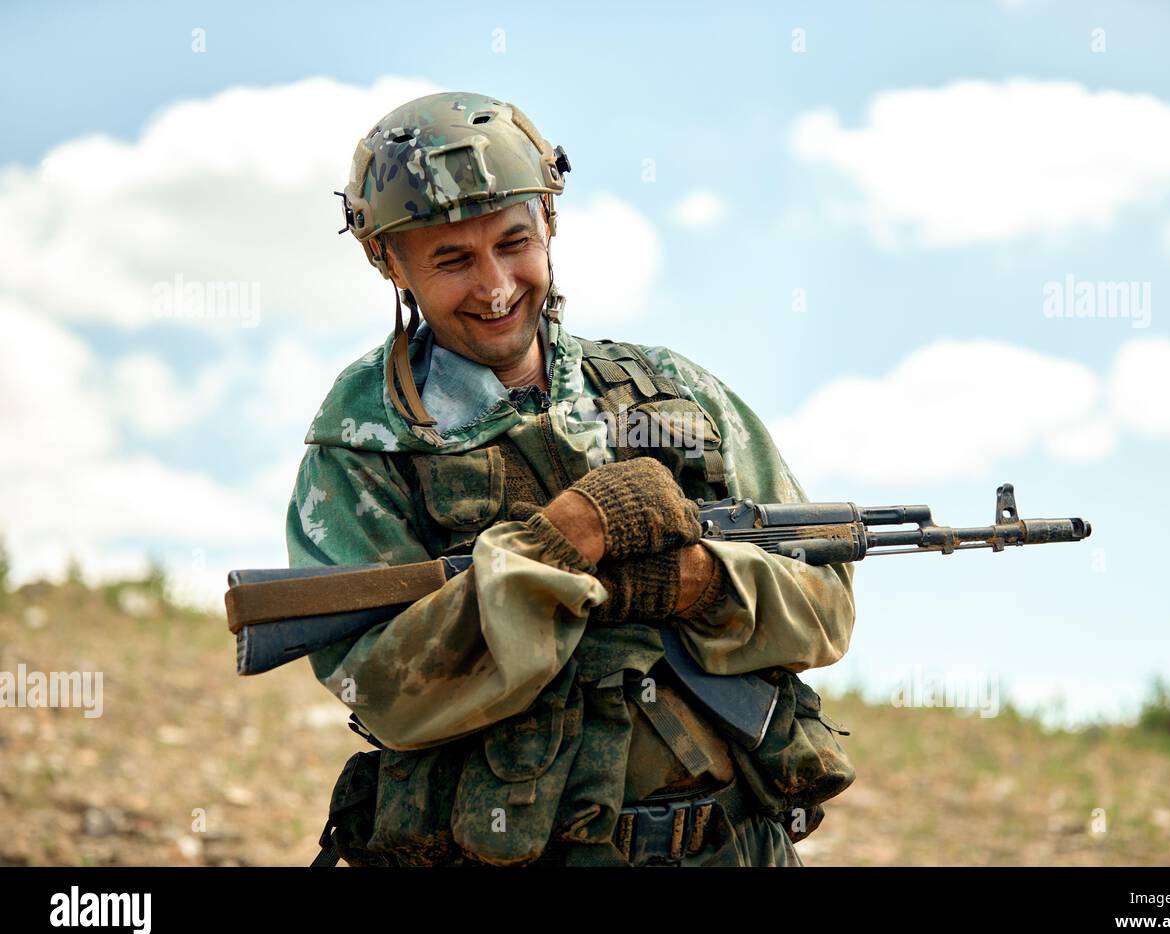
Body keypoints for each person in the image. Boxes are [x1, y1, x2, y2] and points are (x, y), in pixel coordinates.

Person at [287, 91, 856, 867]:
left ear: (550, 222)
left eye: (513, 242)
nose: (494, 286)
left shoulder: (671, 391)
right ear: (388, 261)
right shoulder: (366, 442)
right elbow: (384, 691)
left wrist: (694, 584)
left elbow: (826, 610)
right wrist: (562, 547)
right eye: (452, 259)